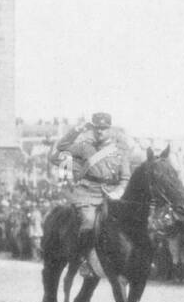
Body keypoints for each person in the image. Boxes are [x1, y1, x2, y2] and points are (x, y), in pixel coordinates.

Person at [52, 113, 131, 267]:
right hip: (87, 194)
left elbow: (125, 177)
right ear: (93, 129)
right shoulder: (84, 147)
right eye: (97, 128)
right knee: (88, 222)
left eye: (104, 128)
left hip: (112, 194)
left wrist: (119, 191)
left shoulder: (120, 150)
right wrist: (77, 129)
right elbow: (61, 147)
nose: (100, 131)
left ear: (110, 129)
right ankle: (85, 260)